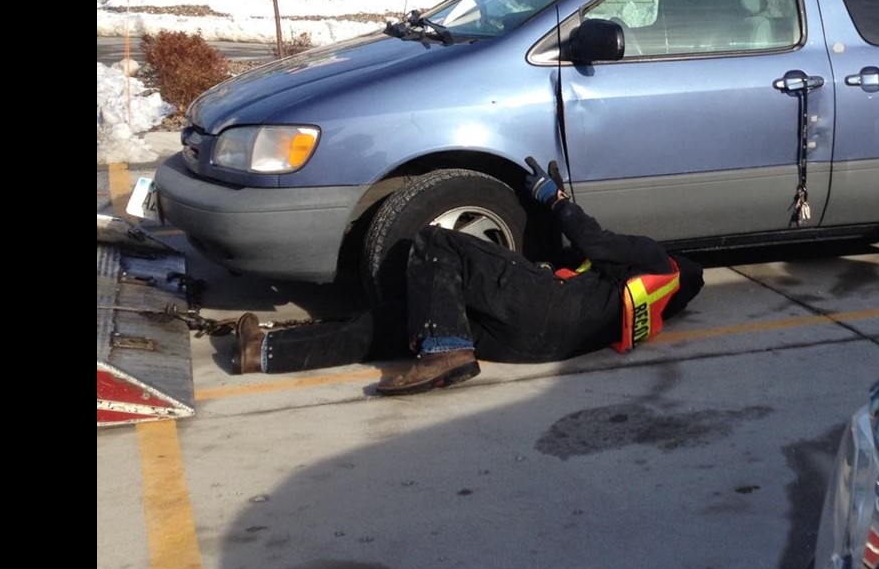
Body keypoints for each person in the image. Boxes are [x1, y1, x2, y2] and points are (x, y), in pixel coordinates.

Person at [234, 157, 705, 396]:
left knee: (437, 242)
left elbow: (596, 241)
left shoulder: (656, 260)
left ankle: (445, 351)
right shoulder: (651, 307)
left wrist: (557, 201)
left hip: (544, 305)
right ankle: (264, 353)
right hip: (532, 347)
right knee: (396, 323)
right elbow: (590, 265)